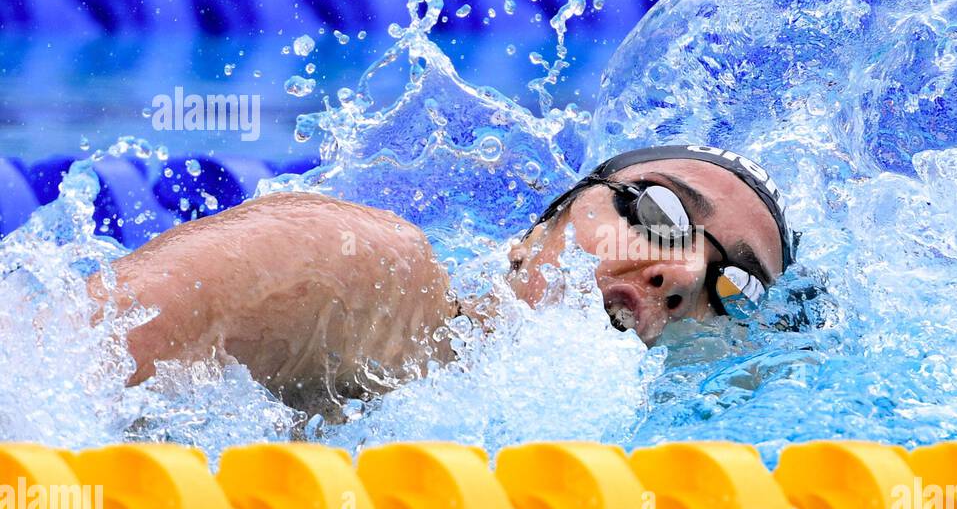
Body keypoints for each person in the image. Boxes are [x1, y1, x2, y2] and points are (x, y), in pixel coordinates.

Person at [89, 144, 797, 413]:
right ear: (532, 236)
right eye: (661, 208)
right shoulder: (365, 271)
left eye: (734, 287)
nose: (684, 270)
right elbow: (65, 368)